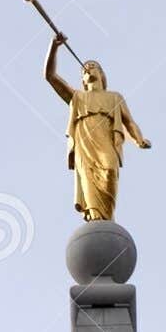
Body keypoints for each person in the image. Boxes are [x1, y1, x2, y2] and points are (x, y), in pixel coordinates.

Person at [44, 36, 151, 222]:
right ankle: (96, 219)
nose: (89, 68)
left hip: (106, 143)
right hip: (85, 146)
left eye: (94, 65)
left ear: (102, 75)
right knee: (88, 179)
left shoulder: (114, 97)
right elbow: (50, 76)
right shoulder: (77, 97)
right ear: (83, 80)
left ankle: (107, 220)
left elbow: (129, 122)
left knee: (109, 170)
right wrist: (54, 46)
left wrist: (139, 139)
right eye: (85, 68)